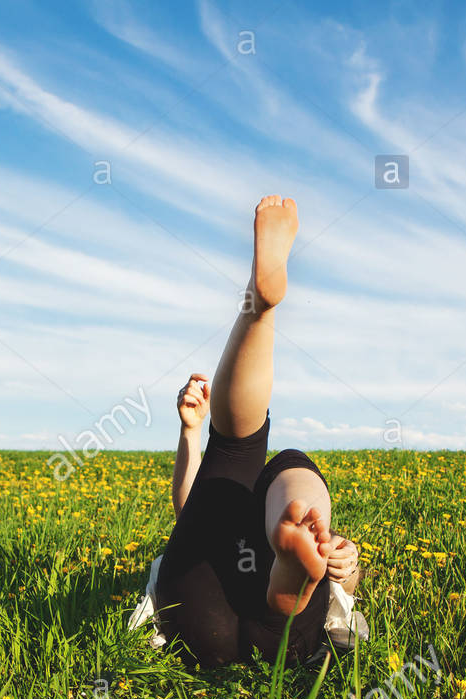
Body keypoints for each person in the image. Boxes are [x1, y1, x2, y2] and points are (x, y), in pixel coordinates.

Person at [150, 195, 362, 667]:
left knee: (231, 450)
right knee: (289, 461)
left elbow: (188, 509)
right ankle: (296, 560)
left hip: (196, 607)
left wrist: (193, 435)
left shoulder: (225, 500)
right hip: (284, 634)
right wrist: (345, 566)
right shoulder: (259, 507)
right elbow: (345, 586)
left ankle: (258, 309)